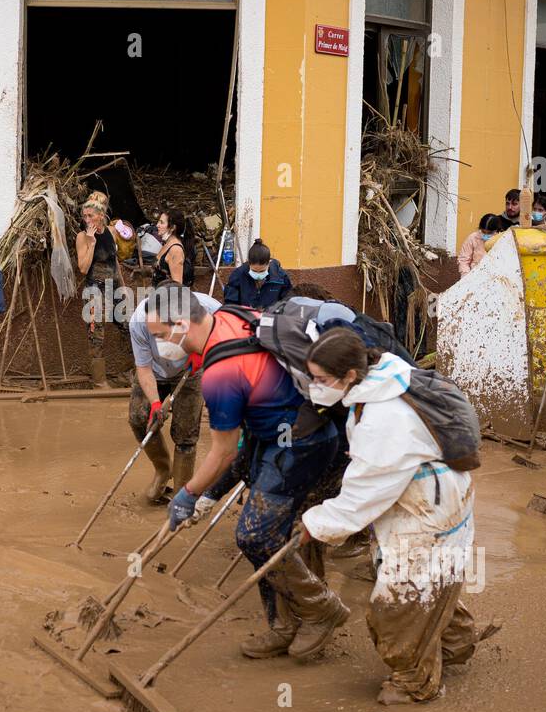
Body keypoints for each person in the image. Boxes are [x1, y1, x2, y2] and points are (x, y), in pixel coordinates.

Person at [145, 284, 349, 660]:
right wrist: (207, 495)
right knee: (266, 533)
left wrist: (187, 494)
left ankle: (321, 608)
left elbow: (222, 452)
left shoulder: (220, 374)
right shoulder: (232, 315)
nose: (160, 348)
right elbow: (237, 451)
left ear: (180, 325)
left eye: (160, 336)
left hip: (301, 444)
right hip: (285, 432)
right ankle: (283, 626)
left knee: (254, 534)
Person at [298, 328, 497, 704]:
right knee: (431, 579)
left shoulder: (384, 417)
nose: (315, 386)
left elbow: (362, 494)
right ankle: (456, 645)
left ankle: (414, 680)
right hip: (426, 496)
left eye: (322, 379)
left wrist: (314, 524)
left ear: (349, 376)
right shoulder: (380, 380)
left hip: (428, 510)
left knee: (398, 602)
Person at [127, 289, 220, 503]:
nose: (160, 339)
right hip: (155, 371)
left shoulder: (207, 308)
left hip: (191, 372)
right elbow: (143, 368)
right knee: (139, 420)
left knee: (186, 434)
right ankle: (163, 469)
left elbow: (223, 334)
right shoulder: (139, 321)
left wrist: (204, 353)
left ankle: (181, 493)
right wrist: (156, 403)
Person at [77, 193, 120, 389]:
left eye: (90, 216)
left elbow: (115, 262)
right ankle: (99, 382)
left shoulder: (111, 231)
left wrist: (123, 285)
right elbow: (83, 268)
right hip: (94, 291)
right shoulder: (82, 237)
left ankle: (128, 373)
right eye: (84, 216)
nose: (87, 220)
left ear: (101, 216)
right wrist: (91, 242)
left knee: (128, 326)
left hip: (115, 287)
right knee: (96, 335)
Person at [224, 239, 292, 308]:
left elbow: (287, 300)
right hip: (245, 316)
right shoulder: (238, 275)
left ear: (269, 263)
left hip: (271, 316)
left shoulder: (280, 276)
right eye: (254, 271)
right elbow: (230, 303)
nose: (258, 275)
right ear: (249, 263)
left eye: (262, 271)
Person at [153, 209, 195, 287]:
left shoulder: (175, 250)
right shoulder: (167, 244)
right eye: (158, 221)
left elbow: (177, 287)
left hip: (168, 297)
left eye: (162, 222)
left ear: (172, 227)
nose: (157, 225)